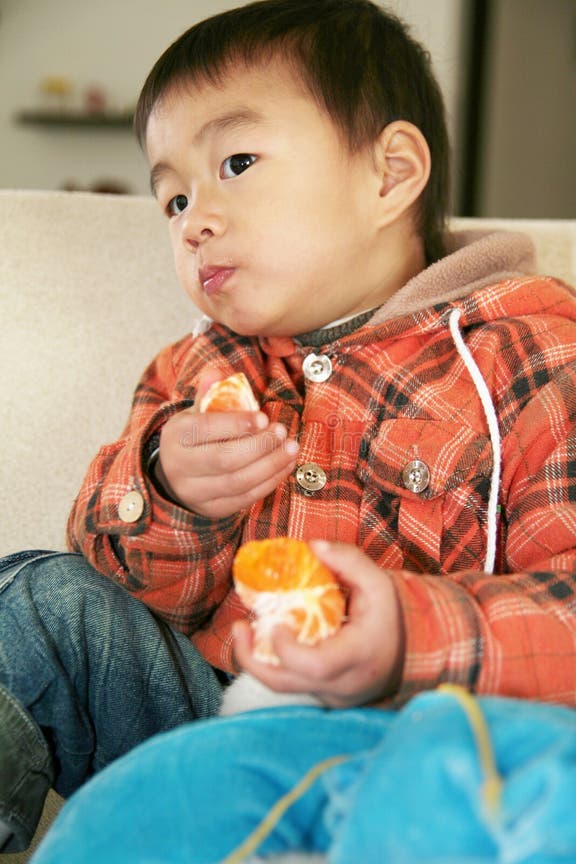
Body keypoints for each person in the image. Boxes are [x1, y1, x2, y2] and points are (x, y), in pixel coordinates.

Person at [2, 0, 576, 855]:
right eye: (172, 198)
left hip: (412, 737)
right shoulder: (197, 371)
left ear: (389, 175)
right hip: (201, 722)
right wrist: (165, 489)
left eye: (236, 162)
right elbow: (137, 581)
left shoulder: (530, 353)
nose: (193, 219)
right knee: (39, 597)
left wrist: (410, 635)